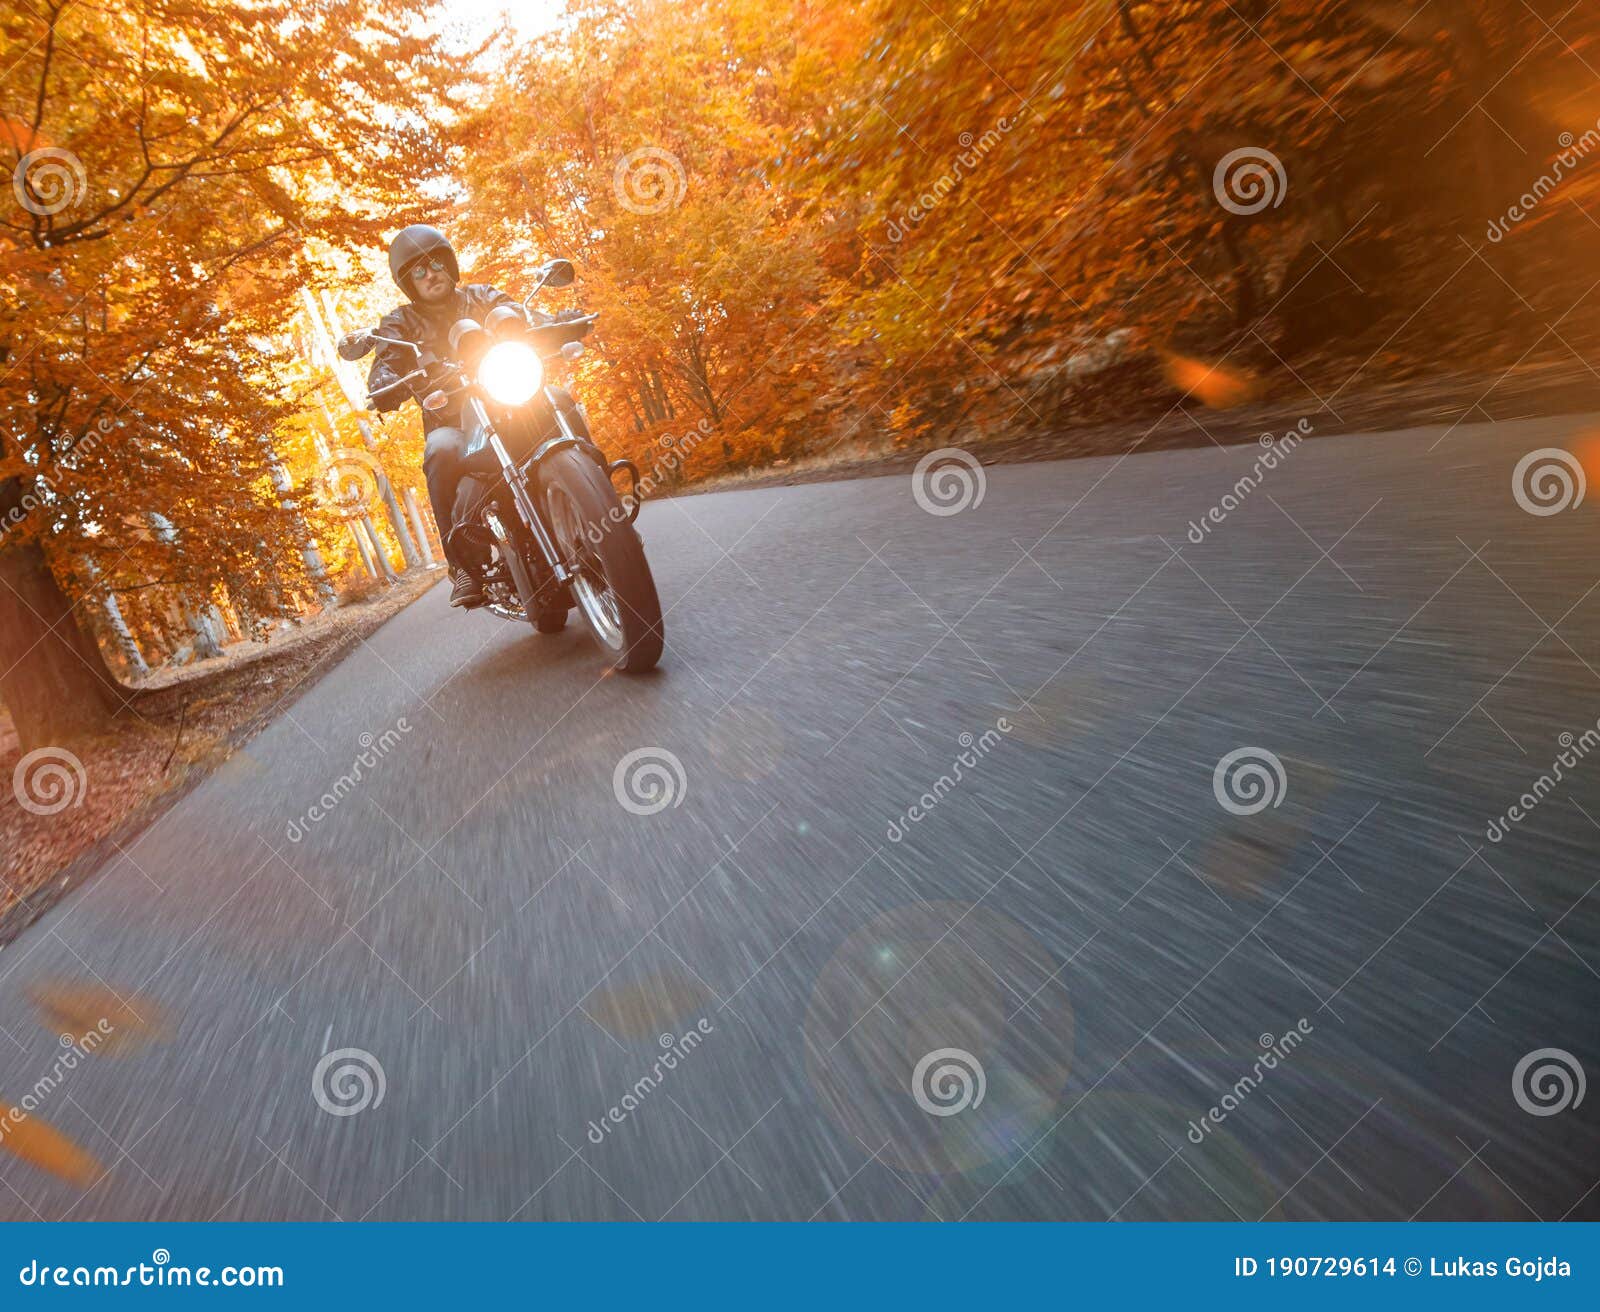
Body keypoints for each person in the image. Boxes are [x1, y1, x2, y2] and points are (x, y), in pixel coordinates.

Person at [367, 225, 518, 608]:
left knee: (559, 398)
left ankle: (604, 512)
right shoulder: (399, 324)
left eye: (435, 263)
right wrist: (385, 380)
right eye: (418, 271)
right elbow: (385, 359)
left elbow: (519, 312)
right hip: (456, 423)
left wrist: (554, 320)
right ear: (408, 283)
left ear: (449, 264)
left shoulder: (481, 297)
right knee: (439, 447)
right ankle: (464, 566)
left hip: (514, 401)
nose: (430, 273)